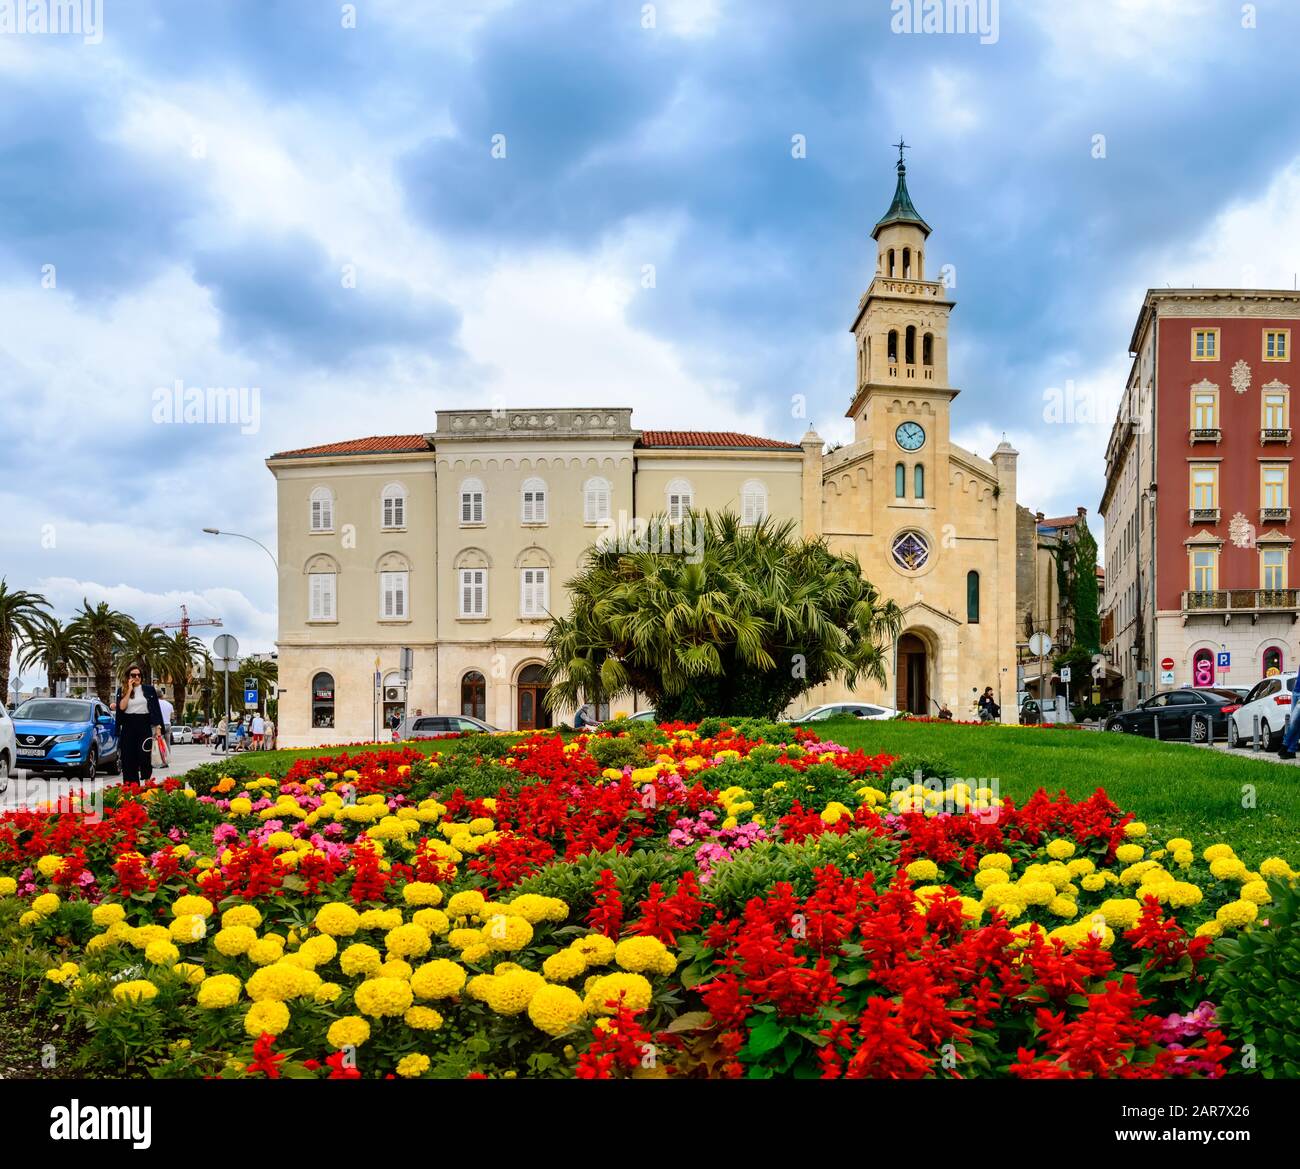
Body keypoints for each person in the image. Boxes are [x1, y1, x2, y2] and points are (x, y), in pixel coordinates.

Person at [114, 664, 165, 783]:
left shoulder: (149, 690)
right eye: (133, 675)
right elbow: (121, 707)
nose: (137, 677)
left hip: (144, 725)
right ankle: (131, 786)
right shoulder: (122, 690)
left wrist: (158, 728)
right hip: (128, 726)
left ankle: (147, 780)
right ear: (128, 677)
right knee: (128, 757)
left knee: (144, 755)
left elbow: (155, 709)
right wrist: (129, 690)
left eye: (139, 675)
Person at [1278, 673, 1300, 759]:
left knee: (1293, 721)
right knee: (1297, 724)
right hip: (1295, 692)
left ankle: (1285, 745)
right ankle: (1291, 751)